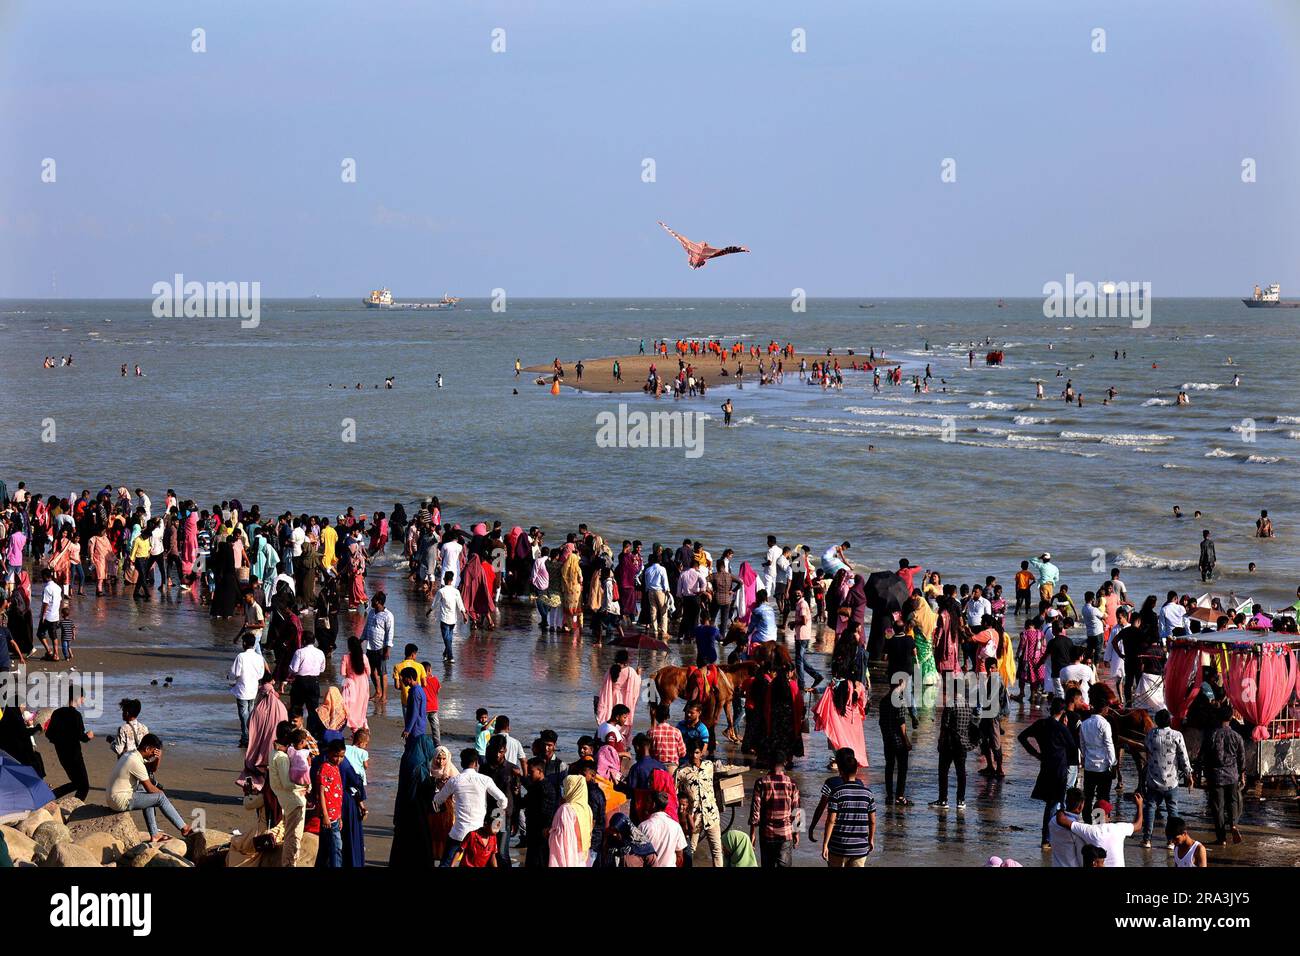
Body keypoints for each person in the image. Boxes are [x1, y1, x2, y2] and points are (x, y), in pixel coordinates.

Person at [106, 733, 193, 843]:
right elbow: (151, 789)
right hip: (120, 801)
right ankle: (184, 828)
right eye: (153, 751)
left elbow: (151, 769)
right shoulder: (135, 762)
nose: (153, 754)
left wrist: (158, 758)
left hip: (113, 797)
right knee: (159, 797)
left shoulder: (132, 755)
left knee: (150, 796)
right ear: (147, 748)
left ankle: (155, 835)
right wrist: (162, 796)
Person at [1019, 697, 1079, 849]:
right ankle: (1049, 838)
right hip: (1060, 769)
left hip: (1045, 767)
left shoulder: (1041, 724)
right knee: (1057, 804)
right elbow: (1072, 748)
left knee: (1052, 804)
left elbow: (1022, 737)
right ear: (1063, 712)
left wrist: (1035, 753)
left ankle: (1049, 837)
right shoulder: (1061, 728)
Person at [432, 748, 507, 866]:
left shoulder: (454, 781)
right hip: (478, 834)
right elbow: (503, 800)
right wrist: (494, 820)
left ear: (462, 763)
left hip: (459, 832)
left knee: (446, 863)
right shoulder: (485, 780)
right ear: (477, 763)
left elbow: (437, 800)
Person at [814, 748, 876, 867]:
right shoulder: (868, 794)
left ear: (840, 771)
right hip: (860, 848)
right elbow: (872, 821)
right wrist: (871, 839)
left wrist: (825, 844)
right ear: (857, 770)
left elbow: (831, 821)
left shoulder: (836, 793)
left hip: (838, 846)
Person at [1142, 709, 1191, 848]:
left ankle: (1147, 839)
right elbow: (1184, 757)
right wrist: (1188, 774)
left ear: (1156, 721)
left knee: (1150, 808)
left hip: (1153, 781)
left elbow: (1147, 750)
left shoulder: (1151, 735)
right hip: (1171, 781)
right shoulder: (1177, 735)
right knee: (1172, 810)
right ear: (1169, 721)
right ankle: (1171, 841)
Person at [1054, 793, 1142, 868]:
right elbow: (1138, 825)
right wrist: (1140, 805)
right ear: (1108, 815)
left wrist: (1060, 807)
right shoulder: (1119, 828)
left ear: (1094, 815)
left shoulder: (1089, 830)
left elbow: (1061, 820)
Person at [931, 674, 977, 811]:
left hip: (949, 744)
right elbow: (971, 725)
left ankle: (943, 800)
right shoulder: (968, 706)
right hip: (962, 744)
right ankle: (961, 801)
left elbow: (944, 726)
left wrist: (940, 742)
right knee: (961, 773)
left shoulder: (950, 705)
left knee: (943, 772)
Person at [1201, 702, 1244, 846]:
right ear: (1231, 717)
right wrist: (1242, 773)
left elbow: (1204, 756)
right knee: (1233, 802)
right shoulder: (1237, 736)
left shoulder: (1212, 735)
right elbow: (1241, 758)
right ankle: (1233, 824)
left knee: (1218, 807)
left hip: (1216, 776)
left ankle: (1222, 838)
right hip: (1232, 775)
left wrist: (1201, 772)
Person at [675, 738, 723, 866]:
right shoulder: (682, 771)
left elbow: (720, 777)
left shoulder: (709, 766)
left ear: (701, 752)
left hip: (711, 814)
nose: (694, 756)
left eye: (697, 752)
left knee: (717, 851)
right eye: (691, 753)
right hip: (693, 817)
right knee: (689, 849)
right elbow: (675, 794)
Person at [748, 751, 800, 866]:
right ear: (785, 763)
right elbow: (797, 811)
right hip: (785, 833)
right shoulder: (792, 784)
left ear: (769, 762)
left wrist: (752, 833)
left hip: (767, 834)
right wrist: (797, 833)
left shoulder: (761, 783)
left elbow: (755, 811)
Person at [269, 723, 309, 864]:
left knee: (290, 835)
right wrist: (304, 785)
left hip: (286, 801)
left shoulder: (274, 752)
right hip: (293, 801)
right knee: (293, 837)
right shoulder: (281, 757)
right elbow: (286, 784)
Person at [46, 685, 94, 799]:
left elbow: (49, 734)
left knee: (77, 783)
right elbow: (81, 737)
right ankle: (73, 808)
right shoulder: (76, 715)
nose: (83, 700)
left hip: (61, 754)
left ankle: (52, 795)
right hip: (74, 755)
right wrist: (89, 736)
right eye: (83, 697)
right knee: (84, 786)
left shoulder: (57, 713)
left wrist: (61, 740)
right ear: (78, 697)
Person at [1080, 686, 1116, 820]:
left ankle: (1087, 821)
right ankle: (1099, 823)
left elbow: (1082, 745)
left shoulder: (1084, 723)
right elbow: (1109, 745)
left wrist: (1085, 758)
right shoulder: (1104, 724)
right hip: (1103, 767)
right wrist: (1113, 763)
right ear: (1104, 708)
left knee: (1088, 796)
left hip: (1089, 766)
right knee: (1103, 796)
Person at [229, 632, 266, 748]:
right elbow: (261, 675)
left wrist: (230, 680)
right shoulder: (259, 657)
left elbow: (235, 673)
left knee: (243, 714)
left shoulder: (241, 656)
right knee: (250, 712)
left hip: (242, 689)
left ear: (244, 643)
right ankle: (251, 735)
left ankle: (246, 737)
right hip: (253, 688)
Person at [548, 773, 593, 867]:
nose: (563, 791)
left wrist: (550, 832)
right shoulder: (587, 809)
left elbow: (560, 840)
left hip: (569, 858)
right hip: (583, 858)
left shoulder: (566, 809)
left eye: (565, 787)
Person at [639, 789, 687, 867]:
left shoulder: (644, 826)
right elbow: (680, 856)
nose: (645, 804)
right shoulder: (676, 826)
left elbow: (638, 855)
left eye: (648, 801)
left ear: (653, 804)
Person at [361, 592, 395, 700]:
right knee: (371, 671)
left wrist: (388, 650)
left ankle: (384, 696)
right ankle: (378, 691)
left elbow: (390, 633)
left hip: (381, 648)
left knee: (382, 672)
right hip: (370, 647)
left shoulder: (388, 615)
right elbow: (367, 627)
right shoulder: (371, 612)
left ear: (378, 602)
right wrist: (361, 639)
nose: (371, 601)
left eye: (373, 600)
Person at [427, 571, 465, 662]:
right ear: (452, 580)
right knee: (449, 638)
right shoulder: (456, 591)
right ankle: (445, 653)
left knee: (447, 639)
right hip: (453, 619)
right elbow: (460, 605)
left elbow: (434, 604)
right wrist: (464, 615)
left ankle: (450, 656)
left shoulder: (441, 591)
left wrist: (428, 612)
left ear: (444, 579)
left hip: (444, 619)